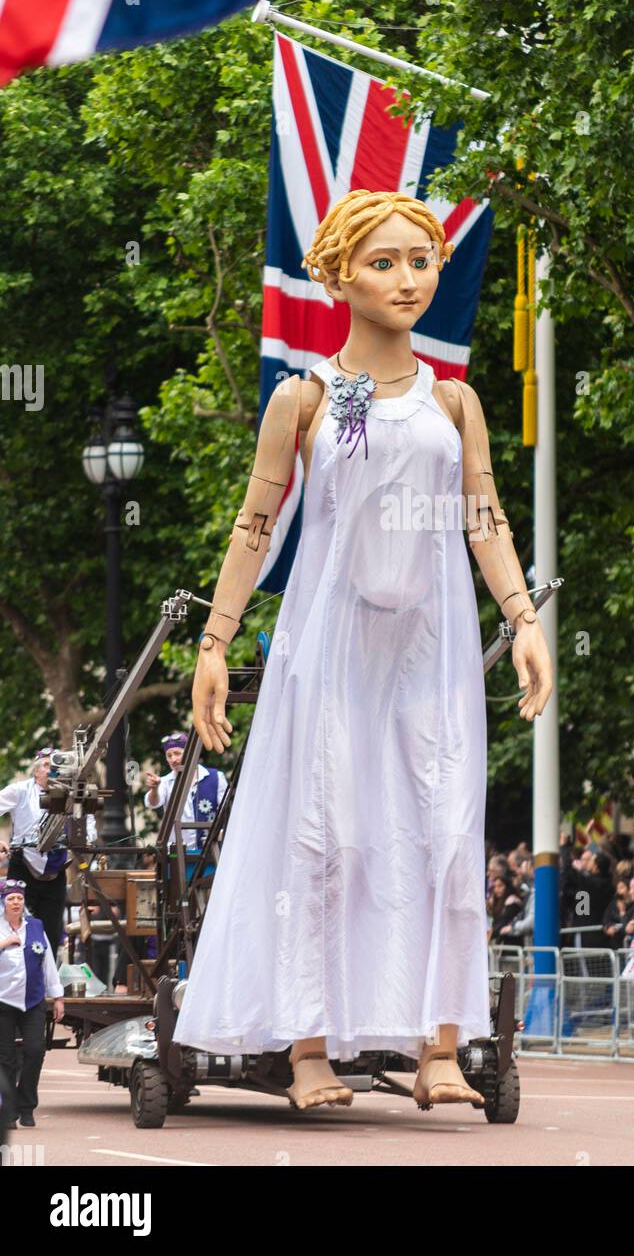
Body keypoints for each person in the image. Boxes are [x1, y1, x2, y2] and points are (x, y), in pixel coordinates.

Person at [172, 188, 554, 1112]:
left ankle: (440, 1050)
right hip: (331, 645)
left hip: (433, 648)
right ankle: (309, 1057)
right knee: (323, 832)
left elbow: (484, 516)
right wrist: (215, 643)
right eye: (384, 262)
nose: (407, 279)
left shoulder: (454, 401)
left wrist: (523, 617)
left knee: (445, 825)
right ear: (340, 274)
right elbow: (256, 524)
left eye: (420, 261)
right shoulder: (308, 398)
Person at [0, 879, 64, 1128]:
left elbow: (48, 962)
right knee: (6, 1059)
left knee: (35, 1051)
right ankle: (9, 1109)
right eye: (11, 899)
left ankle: (26, 1105)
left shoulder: (36, 926)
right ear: (3, 903)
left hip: (33, 1000)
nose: (16, 903)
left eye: (19, 898)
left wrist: (57, 997)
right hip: (3, 1001)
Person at [0, 748, 72, 958]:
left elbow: (87, 819)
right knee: (16, 926)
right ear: (36, 772)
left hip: (56, 869)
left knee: (50, 932)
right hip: (24, 867)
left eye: (56, 767)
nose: (52, 771)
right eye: (47, 766)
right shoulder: (20, 790)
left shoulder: (70, 793)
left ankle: (46, 984)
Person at [144, 732, 228, 852]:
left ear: (190, 754)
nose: (173, 759)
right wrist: (154, 789)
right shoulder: (165, 782)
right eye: (169, 755)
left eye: (177, 753)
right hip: (176, 853)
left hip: (210, 851)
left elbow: (226, 810)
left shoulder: (216, 777)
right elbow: (153, 803)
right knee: (174, 868)